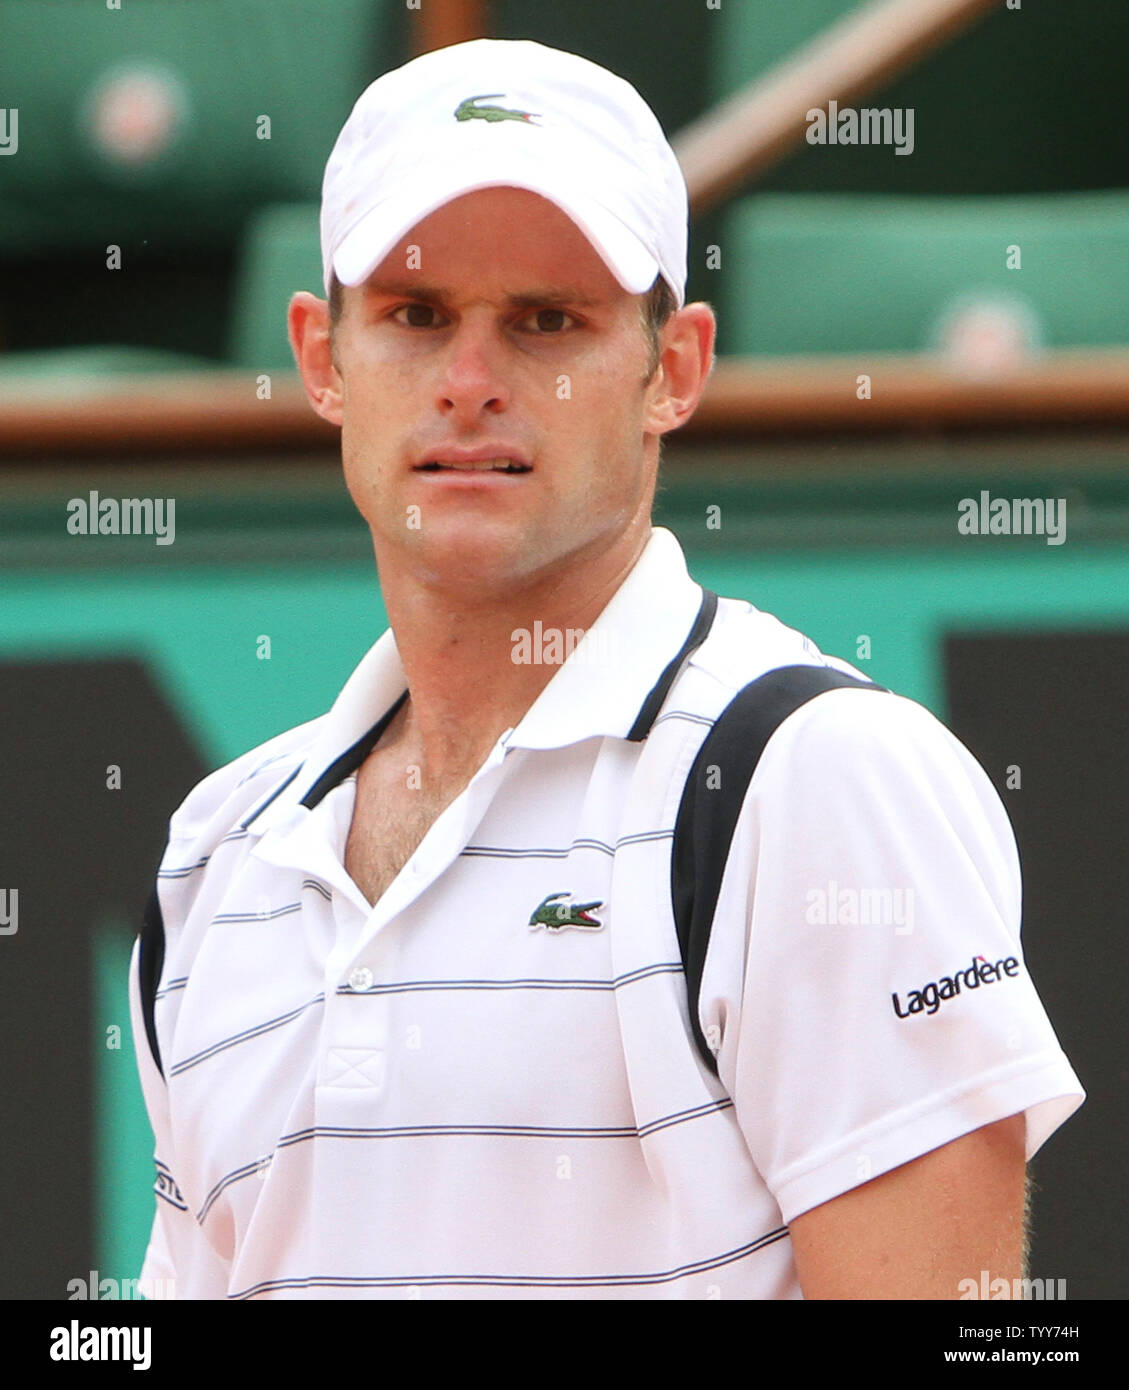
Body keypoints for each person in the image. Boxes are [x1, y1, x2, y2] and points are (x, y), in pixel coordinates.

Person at [129, 37, 1083, 1301]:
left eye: (547, 322)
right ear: (322, 360)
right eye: (416, 317)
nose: (470, 384)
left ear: (671, 369)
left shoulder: (825, 779)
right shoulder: (215, 852)